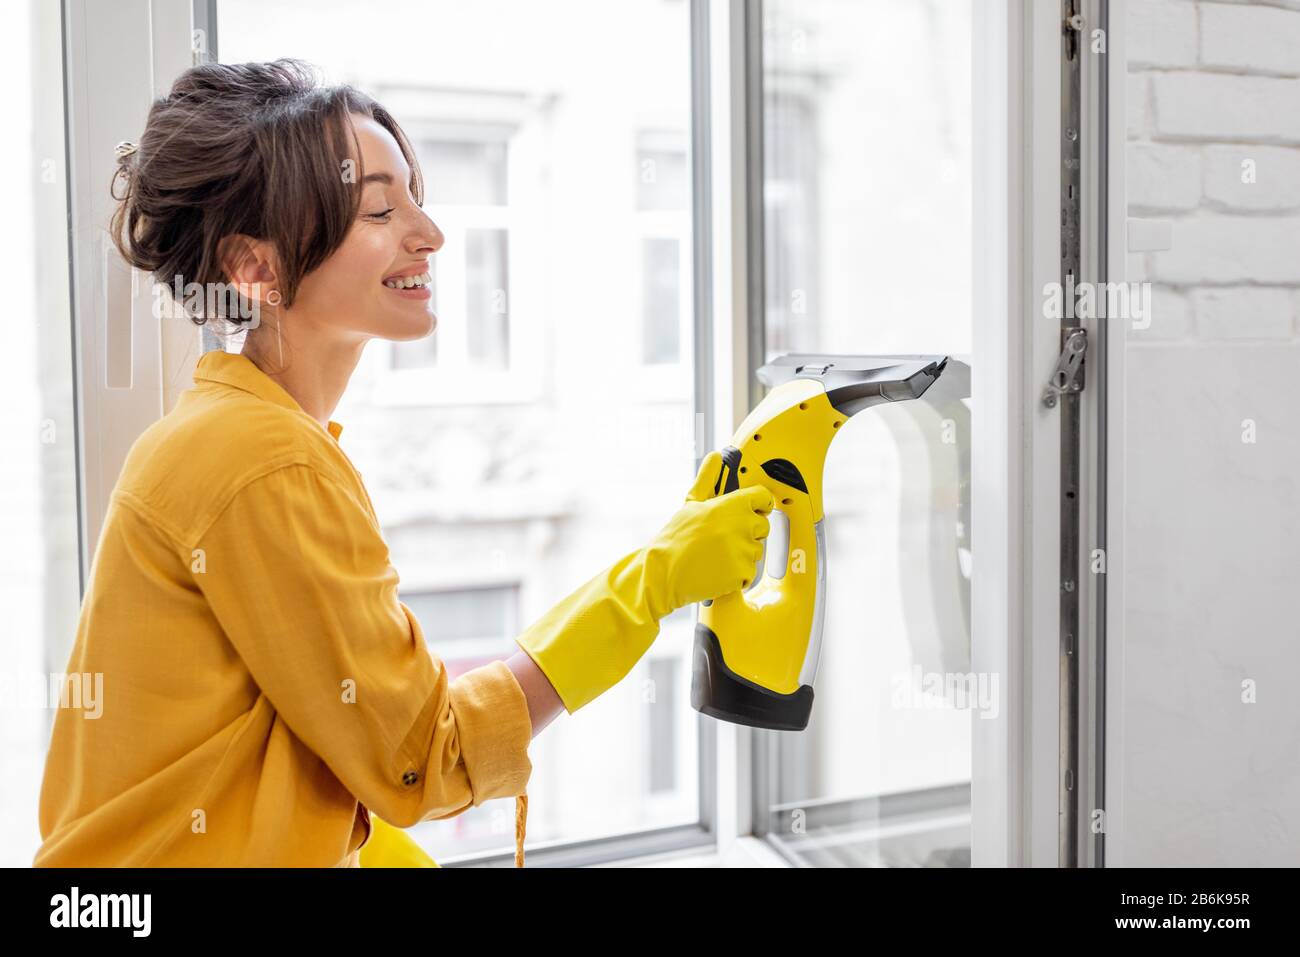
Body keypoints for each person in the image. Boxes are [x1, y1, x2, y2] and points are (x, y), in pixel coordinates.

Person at [34, 59, 773, 868]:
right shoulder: (262, 459)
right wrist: (650, 588)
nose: (430, 233)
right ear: (257, 270)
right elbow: (427, 757)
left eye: (415, 198)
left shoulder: (237, 433)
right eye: (381, 209)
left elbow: (297, 739)